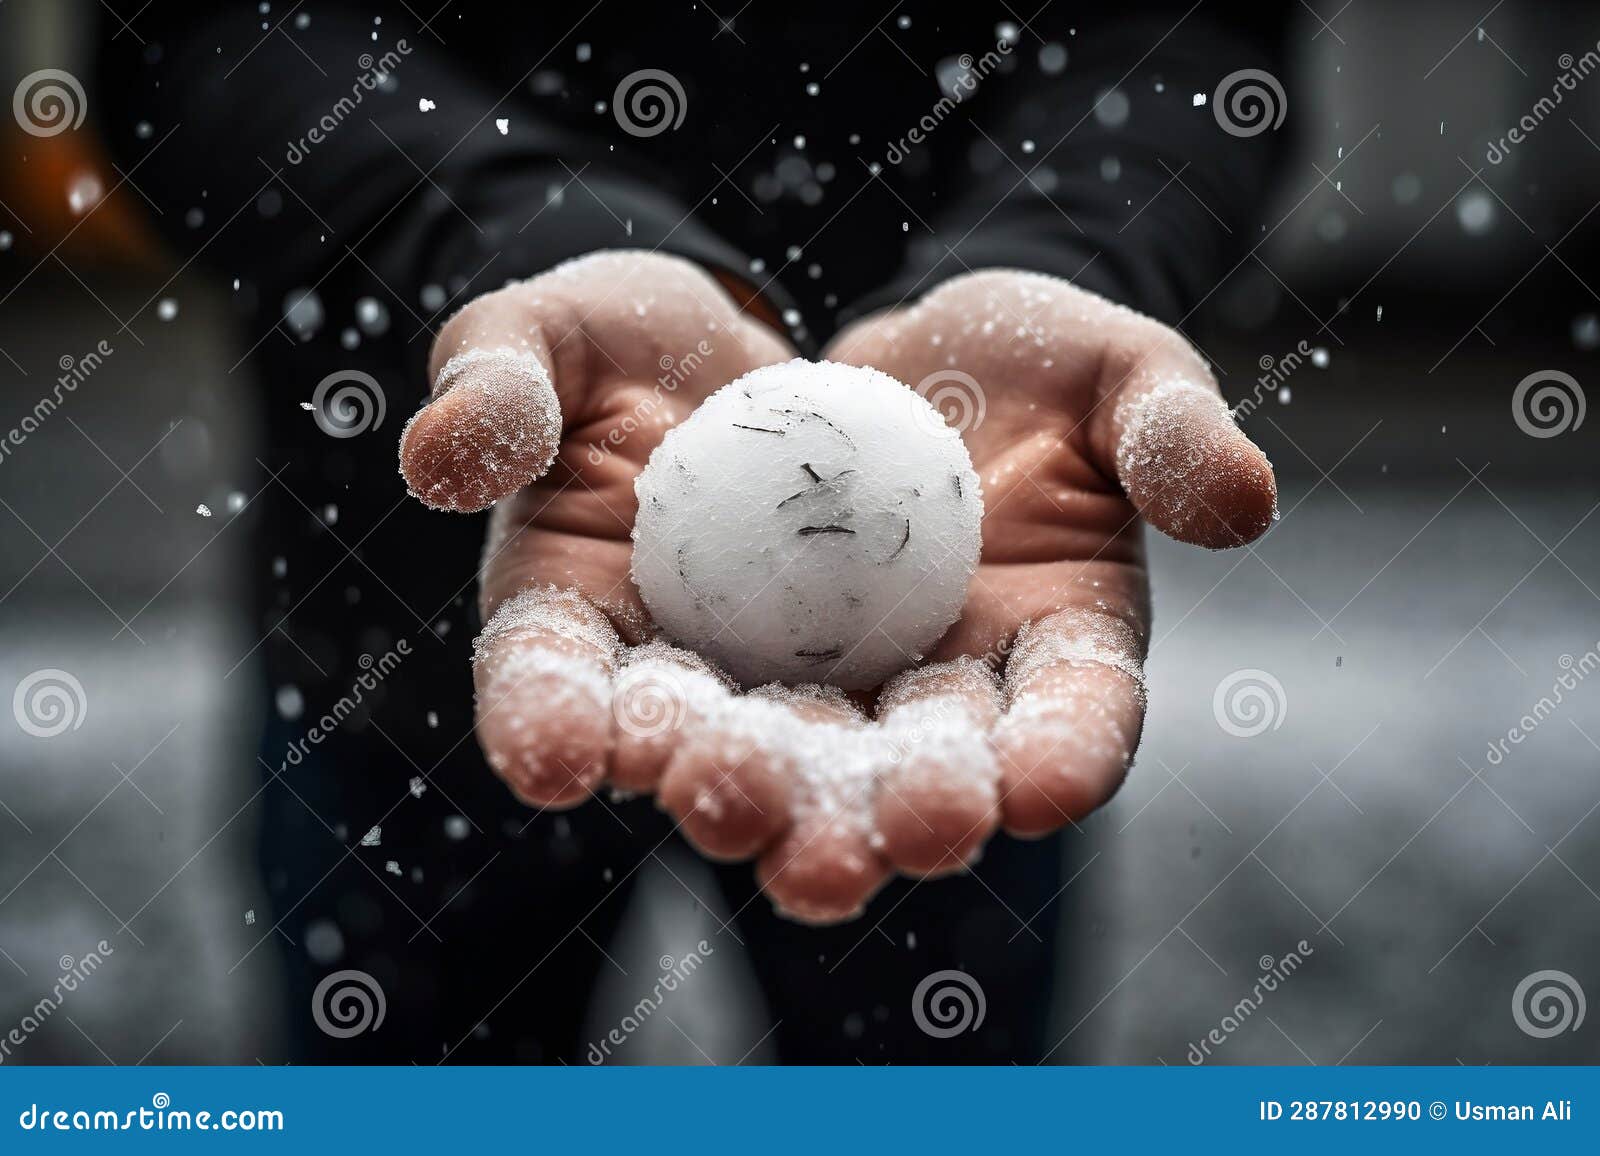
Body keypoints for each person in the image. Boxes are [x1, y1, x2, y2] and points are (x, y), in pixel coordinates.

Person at [97, 1, 1285, 1062]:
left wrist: (1057, 259)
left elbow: (1192, 37)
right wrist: (515, 239)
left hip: (959, 638)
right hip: (419, 620)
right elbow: (198, 38)